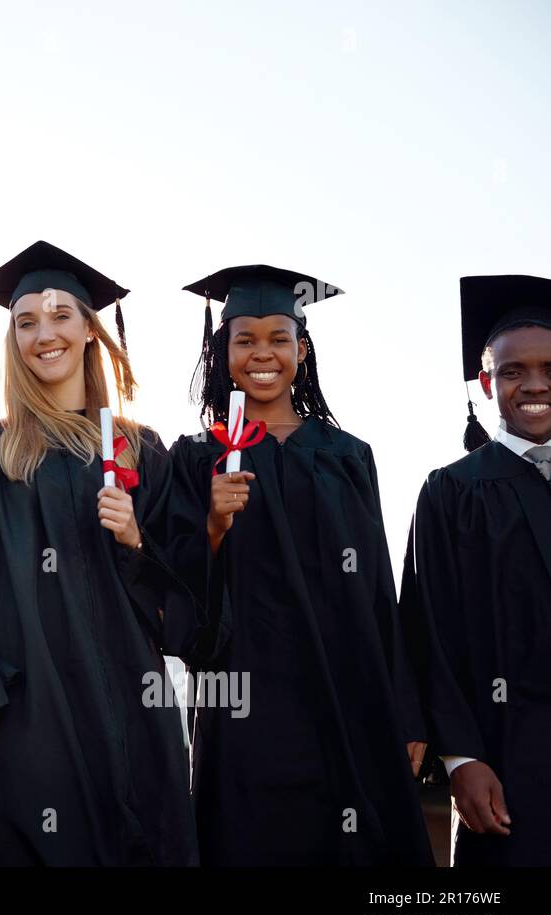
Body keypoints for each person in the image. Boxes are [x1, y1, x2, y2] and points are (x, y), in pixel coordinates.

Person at [157, 264, 433, 865]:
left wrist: (404, 708)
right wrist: (212, 526)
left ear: (302, 350)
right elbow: (172, 593)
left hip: (347, 691)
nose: (263, 353)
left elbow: (378, 589)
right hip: (243, 704)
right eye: (245, 339)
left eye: (279, 338)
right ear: (221, 353)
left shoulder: (347, 456)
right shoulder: (196, 458)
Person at [0, 240, 199, 865]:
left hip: (134, 709)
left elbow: (186, 609)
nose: (44, 334)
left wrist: (136, 541)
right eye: (26, 322)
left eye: (60, 316)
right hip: (28, 712)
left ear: (89, 330)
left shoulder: (141, 450)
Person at [400, 274, 551, 866]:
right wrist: (461, 758)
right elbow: (427, 631)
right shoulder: (452, 492)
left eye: (549, 368)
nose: (534, 385)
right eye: (513, 371)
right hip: (506, 762)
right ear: (486, 383)